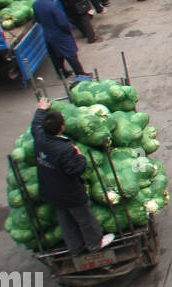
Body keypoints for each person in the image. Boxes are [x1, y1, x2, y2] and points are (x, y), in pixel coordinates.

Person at [31, 99, 115, 255]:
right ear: (62, 127)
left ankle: (75, 248)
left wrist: (41, 110)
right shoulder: (64, 149)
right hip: (69, 193)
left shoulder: (40, 138)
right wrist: (80, 156)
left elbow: (35, 125)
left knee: (65, 220)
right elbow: (75, 170)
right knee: (84, 219)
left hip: (50, 191)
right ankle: (95, 243)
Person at [33, 0, 88, 79]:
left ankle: (62, 73)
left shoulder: (36, 4)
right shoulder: (53, 6)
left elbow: (37, 19)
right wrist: (68, 30)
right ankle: (80, 73)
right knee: (70, 54)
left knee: (56, 56)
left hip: (48, 35)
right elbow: (63, 23)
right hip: (60, 35)